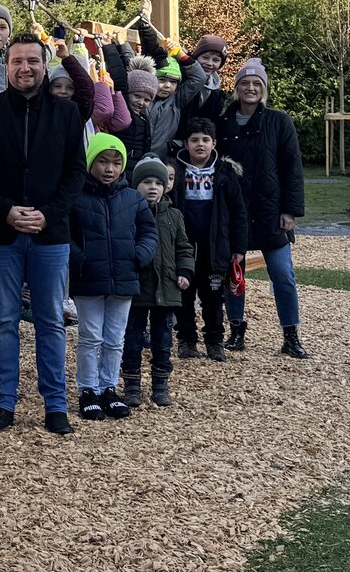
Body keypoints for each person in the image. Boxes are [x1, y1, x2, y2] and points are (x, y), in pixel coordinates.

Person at [0, 37, 87, 434]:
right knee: (3, 319)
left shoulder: (67, 114)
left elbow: (75, 174)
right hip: (1, 231)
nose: (25, 68)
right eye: (17, 61)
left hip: (50, 232)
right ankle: (5, 403)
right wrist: (6, 210)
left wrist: (46, 214)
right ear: (7, 66)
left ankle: (55, 405)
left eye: (32, 61)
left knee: (51, 319)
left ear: (44, 64)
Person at [216, 57, 308, 358]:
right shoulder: (223, 123)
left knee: (282, 273)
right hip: (235, 210)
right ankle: (236, 329)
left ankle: (290, 334)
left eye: (256, 84)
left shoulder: (278, 121)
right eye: (245, 83)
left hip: (270, 209)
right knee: (234, 273)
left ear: (264, 89)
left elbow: (292, 167)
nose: (251, 88)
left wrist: (290, 210)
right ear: (236, 88)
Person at [68, 134, 156, 421]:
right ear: (91, 162)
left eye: (116, 163)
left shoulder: (133, 199)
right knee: (91, 336)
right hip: (89, 277)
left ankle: (108, 387)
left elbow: (149, 232)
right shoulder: (76, 197)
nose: (109, 168)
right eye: (103, 161)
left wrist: (139, 255)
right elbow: (65, 234)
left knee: (115, 338)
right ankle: (88, 390)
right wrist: (80, 259)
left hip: (124, 276)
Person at [120, 156, 194, 409]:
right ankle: (131, 385)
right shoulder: (127, 213)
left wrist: (185, 271)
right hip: (137, 288)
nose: (153, 187)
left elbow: (184, 247)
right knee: (132, 338)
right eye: (146, 182)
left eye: (158, 182)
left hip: (167, 288)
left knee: (163, 339)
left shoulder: (174, 216)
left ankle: (160, 384)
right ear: (135, 185)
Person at [172, 117, 247, 362]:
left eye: (205, 140)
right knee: (184, 294)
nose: (200, 145)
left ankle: (214, 341)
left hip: (215, 245)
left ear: (214, 143)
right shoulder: (175, 170)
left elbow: (238, 212)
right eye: (194, 140)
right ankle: (186, 340)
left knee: (213, 297)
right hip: (183, 245)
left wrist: (238, 247)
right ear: (186, 143)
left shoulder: (225, 172)